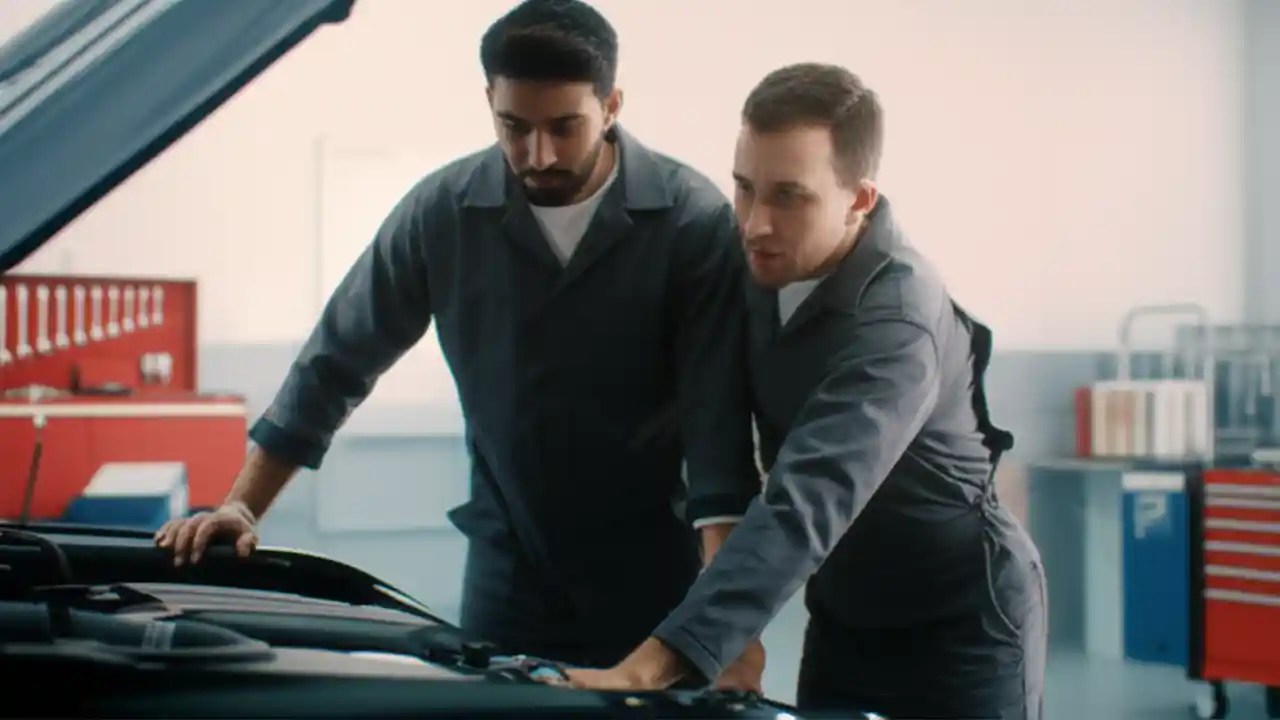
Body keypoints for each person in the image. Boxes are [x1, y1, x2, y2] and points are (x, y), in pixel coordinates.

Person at [153, 0, 765, 681]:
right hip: (509, 574)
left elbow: (717, 434)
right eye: (514, 127)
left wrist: (725, 623)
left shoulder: (692, 223)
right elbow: (336, 361)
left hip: (653, 575)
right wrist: (242, 503)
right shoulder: (442, 214)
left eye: (564, 127)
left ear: (612, 104)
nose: (538, 155)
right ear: (489, 103)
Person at [560, 63, 1048, 720]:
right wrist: (732, 639)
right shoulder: (751, 260)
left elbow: (808, 499)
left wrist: (653, 664)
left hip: (960, 622)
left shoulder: (899, 320)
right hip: (844, 609)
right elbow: (717, 433)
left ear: (859, 199)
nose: (756, 223)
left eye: (789, 197)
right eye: (744, 189)